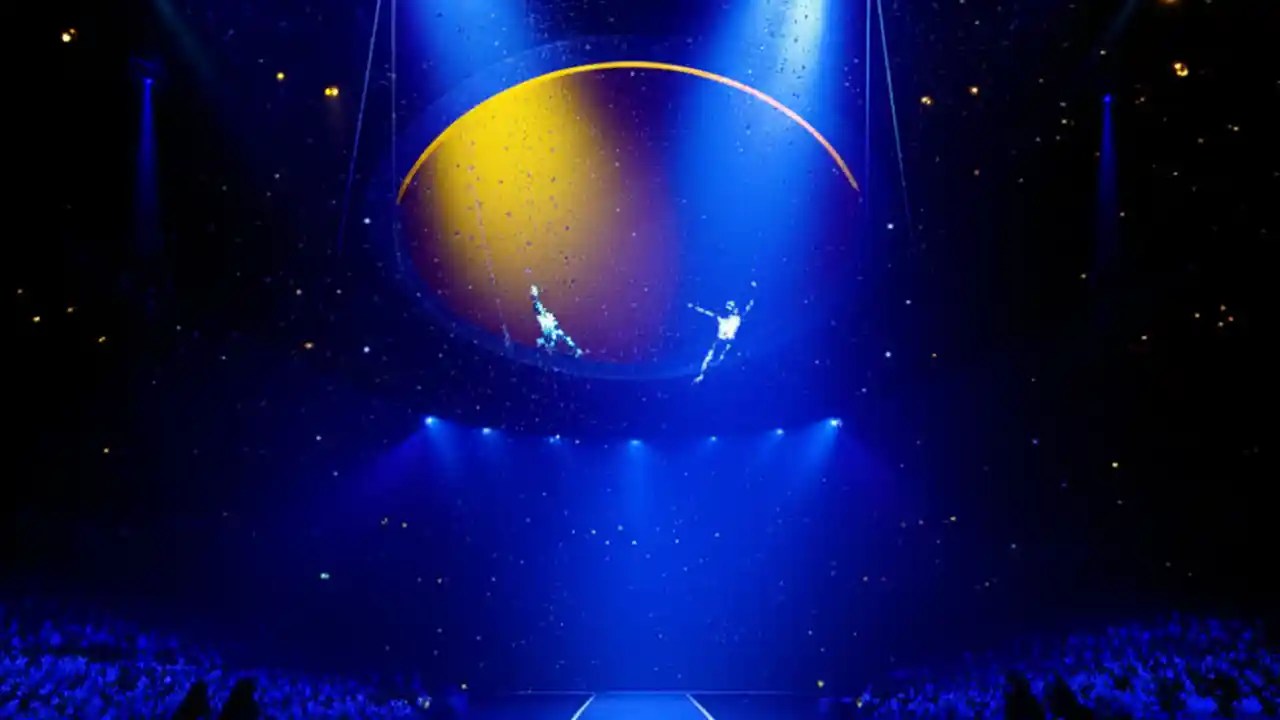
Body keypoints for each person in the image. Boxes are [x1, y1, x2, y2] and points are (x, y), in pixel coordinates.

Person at [689, 281, 756, 383]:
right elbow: (706, 312)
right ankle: (702, 376)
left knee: (738, 356)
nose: (728, 308)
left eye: (730, 307)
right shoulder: (721, 318)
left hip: (731, 342)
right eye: (727, 307)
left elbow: (748, 307)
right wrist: (694, 307)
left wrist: (753, 294)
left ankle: (746, 370)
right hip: (721, 341)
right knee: (709, 358)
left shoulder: (737, 317)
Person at [530, 285, 583, 357]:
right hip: (548, 326)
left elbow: (565, 338)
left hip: (548, 326)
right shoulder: (554, 333)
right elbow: (565, 338)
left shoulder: (553, 332)